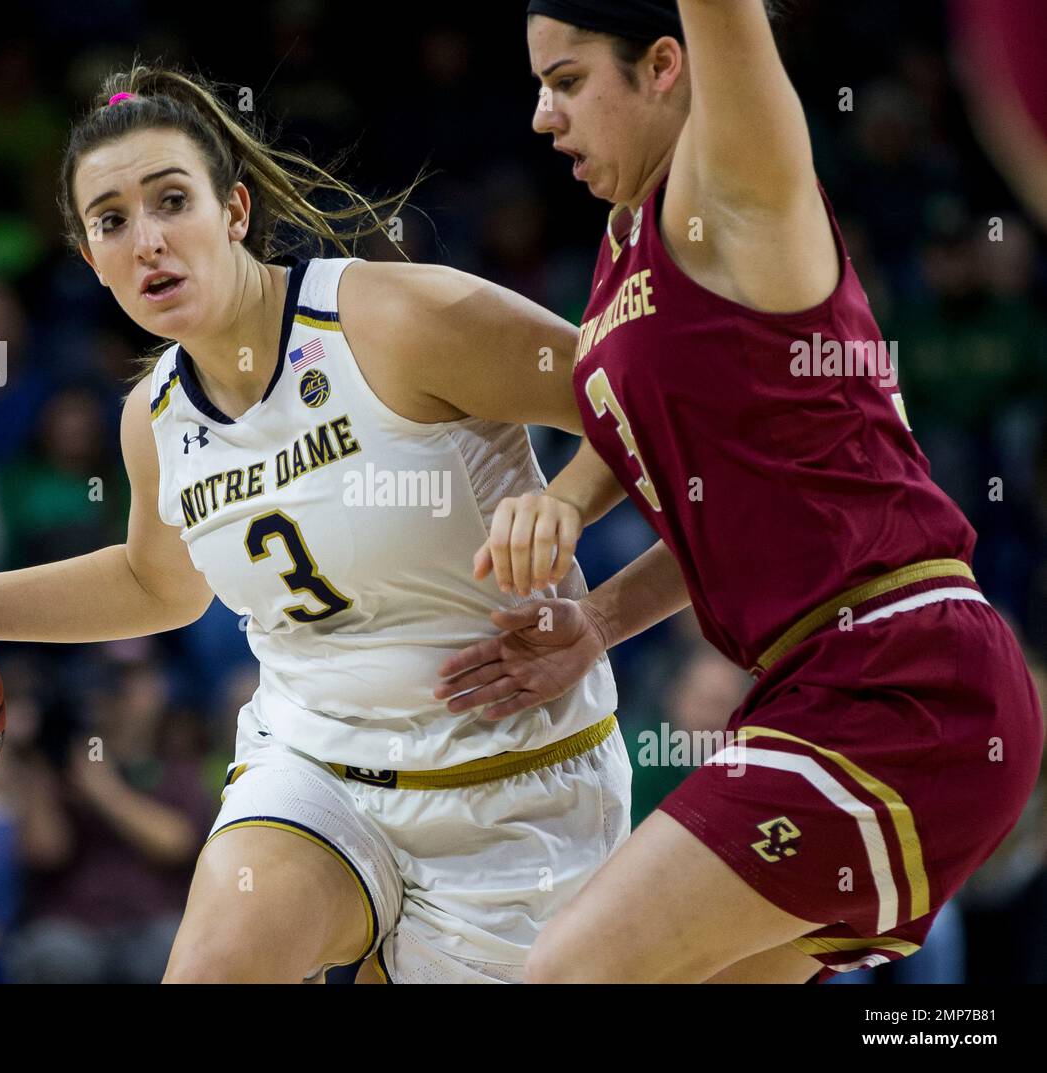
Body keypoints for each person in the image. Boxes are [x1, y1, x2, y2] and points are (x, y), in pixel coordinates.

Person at [0, 63, 641, 984]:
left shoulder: (400, 318)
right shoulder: (153, 417)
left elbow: (653, 402)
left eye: (171, 200)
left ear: (234, 212)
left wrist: (588, 574)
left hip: (514, 788)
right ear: (89, 259)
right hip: (315, 767)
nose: (146, 240)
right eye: (111, 221)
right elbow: (157, 583)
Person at [437, 0, 1044, 982]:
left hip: (904, 674)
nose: (543, 118)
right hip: (817, 686)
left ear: (666, 64)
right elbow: (712, 501)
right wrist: (593, 609)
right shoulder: (621, 247)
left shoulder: (733, 186)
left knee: (560, 975)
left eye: (566, 81)